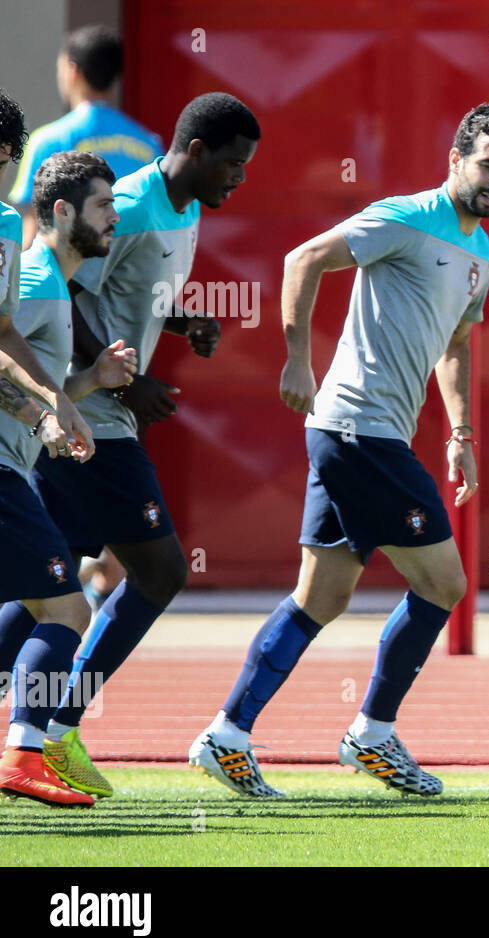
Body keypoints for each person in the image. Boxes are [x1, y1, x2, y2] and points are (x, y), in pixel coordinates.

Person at [188, 103, 489, 799]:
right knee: (445, 586)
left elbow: (457, 345)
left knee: (323, 594)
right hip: (357, 430)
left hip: (366, 434)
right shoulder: (404, 218)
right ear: (457, 159)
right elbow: (304, 257)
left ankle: (227, 734)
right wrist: (295, 361)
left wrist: (460, 433)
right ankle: (372, 732)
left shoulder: (483, 252)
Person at [0, 93, 260, 799]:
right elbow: (70, 294)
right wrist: (118, 386)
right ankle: (53, 730)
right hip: (100, 421)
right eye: (233, 165)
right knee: (160, 570)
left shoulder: (186, 208)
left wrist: (179, 325)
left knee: (43, 587)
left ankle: (43, 730)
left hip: (88, 416)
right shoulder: (134, 204)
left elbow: (126, 298)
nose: (239, 180)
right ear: (198, 151)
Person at [0, 151, 135, 806]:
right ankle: (25, 751)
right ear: (61, 211)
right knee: (68, 608)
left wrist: (84, 385)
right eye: (104, 206)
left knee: (31, 606)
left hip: (13, 471)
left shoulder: (51, 282)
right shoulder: (31, 277)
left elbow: (37, 379)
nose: (115, 217)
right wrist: (45, 416)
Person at [0, 88, 96, 456]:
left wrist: (59, 402)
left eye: (0, 165)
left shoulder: (6, 225)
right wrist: (39, 418)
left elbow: (3, 334)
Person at [8, 26, 164, 248]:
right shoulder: (150, 144)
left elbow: (33, 230)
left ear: (73, 71)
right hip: (133, 272)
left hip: (69, 277)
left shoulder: (47, 141)